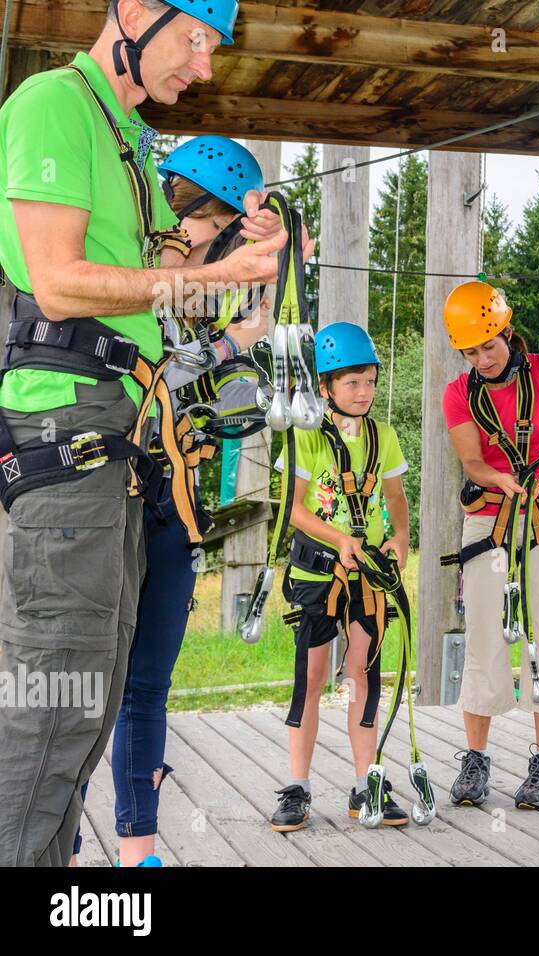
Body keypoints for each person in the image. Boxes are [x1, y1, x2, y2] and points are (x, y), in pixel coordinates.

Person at [0, 0, 286, 868]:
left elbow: (159, 288)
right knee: (53, 708)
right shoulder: (54, 102)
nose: (203, 67)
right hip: (72, 432)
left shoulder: (126, 142)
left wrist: (232, 255)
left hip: (118, 444)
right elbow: (57, 282)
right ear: (134, 11)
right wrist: (220, 273)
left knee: (88, 705)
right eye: (196, 38)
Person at [88, 136, 273, 867]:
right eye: (212, 228)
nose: (206, 246)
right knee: (86, 684)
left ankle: (138, 854)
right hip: (108, 494)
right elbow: (154, 360)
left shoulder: (207, 300)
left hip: (175, 507)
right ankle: (64, 850)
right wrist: (229, 346)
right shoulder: (132, 268)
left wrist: (236, 346)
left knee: (147, 686)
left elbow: (219, 391)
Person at [439, 281, 539, 811]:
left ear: (509, 333)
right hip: (490, 520)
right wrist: (497, 479)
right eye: (470, 352)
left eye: (490, 346)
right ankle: (476, 758)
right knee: (484, 635)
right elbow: (473, 464)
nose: (482, 359)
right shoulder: (459, 393)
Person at [269, 323, 412, 832]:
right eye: (352, 383)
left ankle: (364, 784)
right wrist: (339, 540)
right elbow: (294, 509)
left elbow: (396, 501)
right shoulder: (306, 435)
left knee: (362, 676)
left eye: (370, 381)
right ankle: (298, 787)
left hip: (367, 577)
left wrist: (400, 538)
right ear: (325, 388)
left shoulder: (384, 437)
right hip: (317, 572)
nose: (364, 391)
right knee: (309, 678)